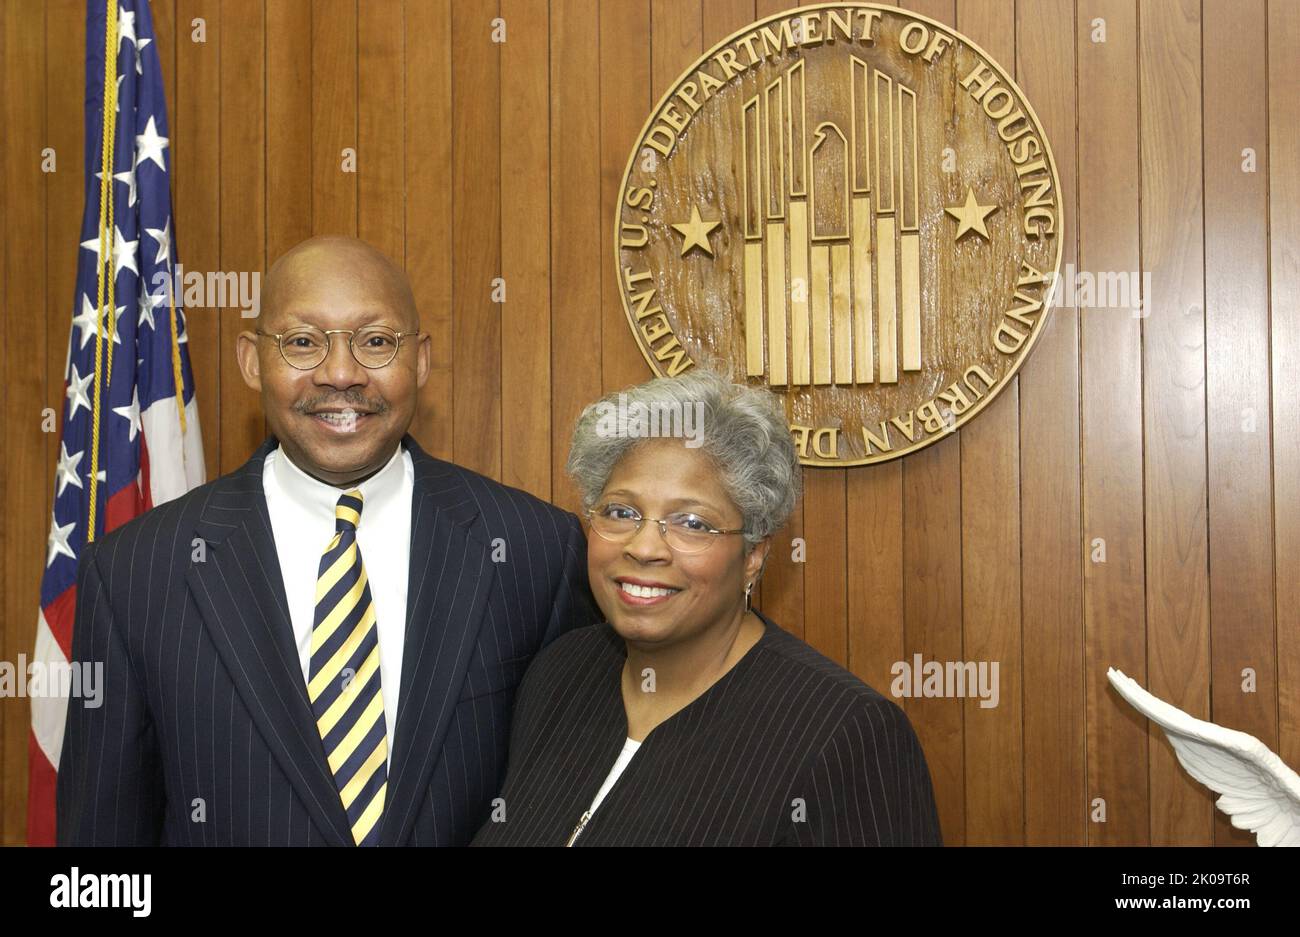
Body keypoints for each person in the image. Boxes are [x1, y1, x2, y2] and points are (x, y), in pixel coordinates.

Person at [56, 235, 599, 846]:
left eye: (375, 342)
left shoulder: (535, 549)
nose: (341, 374)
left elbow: (570, 800)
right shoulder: (135, 571)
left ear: (419, 360)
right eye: (302, 343)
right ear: (251, 360)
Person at [472, 368, 942, 846]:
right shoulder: (560, 674)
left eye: (692, 523)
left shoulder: (844, 734)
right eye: (620, 512)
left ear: (753, 556)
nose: (645, 547)